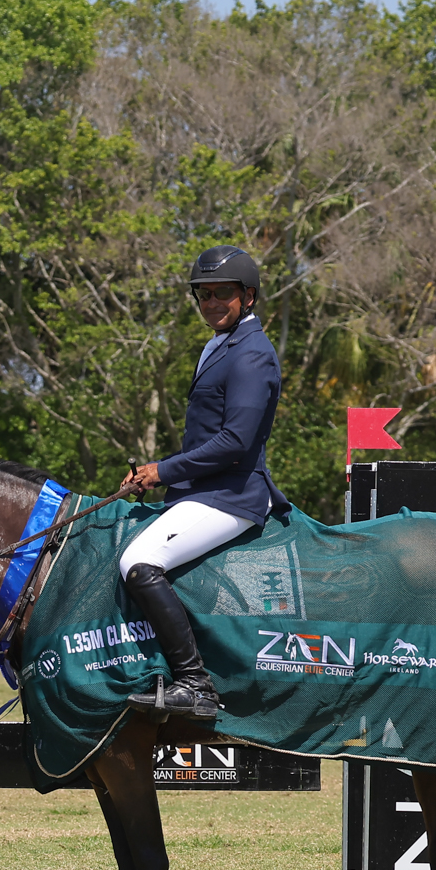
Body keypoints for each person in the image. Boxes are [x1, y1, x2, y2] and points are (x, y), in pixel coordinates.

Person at [117, 246, 289, 719]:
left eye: (222, 295)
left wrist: (161, 470)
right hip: (201, 491)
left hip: (232, 496)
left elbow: (236, 441)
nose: (211, 303)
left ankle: (195, 685)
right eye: (203, 295)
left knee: (140, 559)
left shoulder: (253, 354)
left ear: (248, 297)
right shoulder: (219, 345)